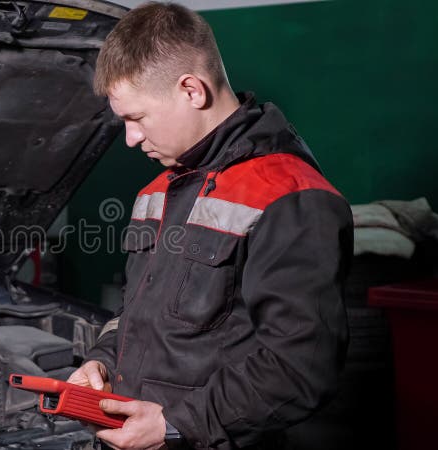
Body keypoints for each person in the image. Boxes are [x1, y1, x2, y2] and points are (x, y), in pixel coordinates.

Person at [66, 3, 353, 450]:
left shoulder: (289, 196)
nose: (130, 138)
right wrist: (100, 363)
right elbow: (139, 316)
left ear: (191, 90)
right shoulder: (156, 193)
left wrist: (176, 424)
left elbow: (300, 367)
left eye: (136, 118)